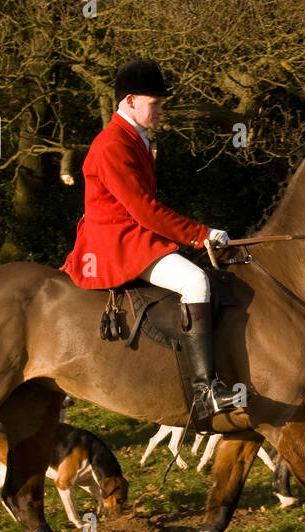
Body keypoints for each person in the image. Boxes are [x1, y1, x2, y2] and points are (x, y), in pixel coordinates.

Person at [61, 58, 236, 425]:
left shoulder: (133, 137)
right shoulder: (112, 144)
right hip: (116, 241)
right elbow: (144, 210)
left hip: (134, 233)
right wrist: (202, 234)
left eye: (162, 104)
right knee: (195, 281)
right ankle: (205, 392)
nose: (161, 111)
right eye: (155, 104)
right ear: (128, 101)